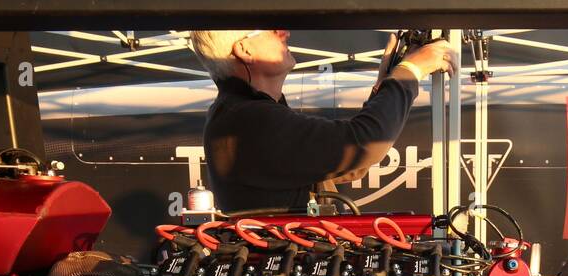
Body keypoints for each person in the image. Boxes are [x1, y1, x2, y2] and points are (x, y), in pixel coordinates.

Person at [188, 29, 456, 213]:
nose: (285, 32)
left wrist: (385, 86)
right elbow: (363, 144)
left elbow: (348, 165)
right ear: (244, 49)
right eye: (271, 29)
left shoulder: (241, 114)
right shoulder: (247, 120)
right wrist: (410, 70)